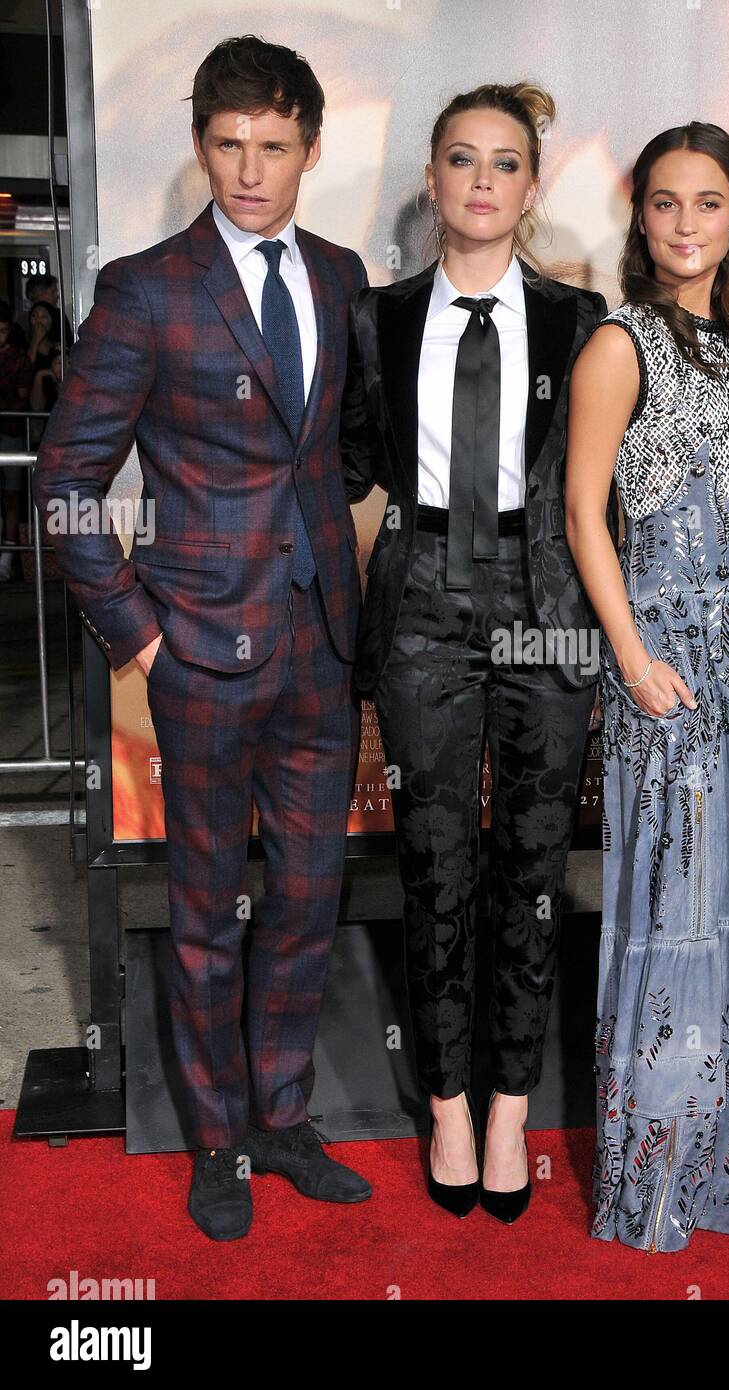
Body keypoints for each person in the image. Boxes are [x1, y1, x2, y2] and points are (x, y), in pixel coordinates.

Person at [33, 34, 371, 1241]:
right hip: (197, 651)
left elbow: (336, 452)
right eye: (227, 144)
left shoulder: (338, 275)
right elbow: (68, 482)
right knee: (202, 907)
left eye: (272, 146)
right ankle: (216, 1137)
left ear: (309, 150)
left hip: (321, 643)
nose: (247, 169)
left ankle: (281, 1115)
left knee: (307, 897)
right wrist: (137, 634)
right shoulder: (145, 285)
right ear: (200, 146)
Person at [341, 81, 609, 1224]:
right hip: (422, 607)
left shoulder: (579, 319)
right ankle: (445, 1102)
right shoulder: (379, 318)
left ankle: (511, 1103)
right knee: (436, 861)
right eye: (462, 160)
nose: (483, 181)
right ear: (432, 180)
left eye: (505, 163)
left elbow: (600, 486)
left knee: (533, 870)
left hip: (544, 596)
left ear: (531, 185)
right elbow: (357, 474)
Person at [566, 122, 729, 1253]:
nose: (683, 224)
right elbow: (584, 515)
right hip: (658, 660)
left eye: (707, 204)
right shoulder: (619, 343)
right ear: (641, 216)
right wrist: (630, 658)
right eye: (664, 203)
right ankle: (655, 1170)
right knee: (671, 902)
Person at [0, 305, 34, 581]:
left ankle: (7, 559)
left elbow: (23, 397)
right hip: (10, 428)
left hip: (11, 430)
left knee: (12, 496)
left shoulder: (18, 358)